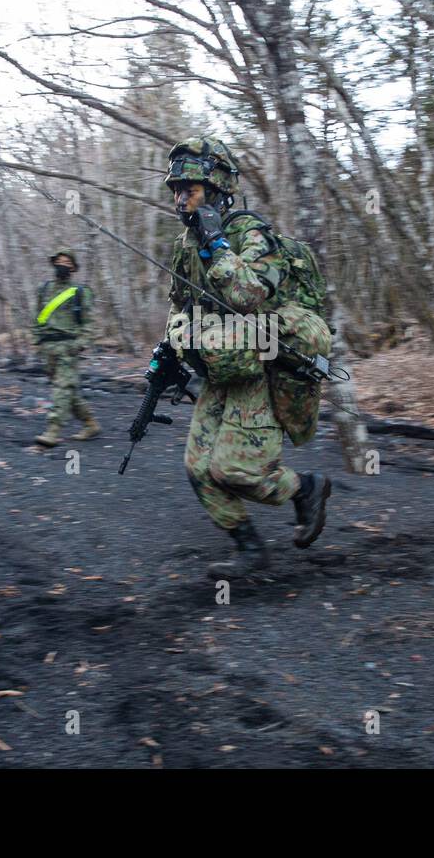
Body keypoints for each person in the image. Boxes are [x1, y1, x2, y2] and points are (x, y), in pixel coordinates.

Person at [161, 136, 331, 580]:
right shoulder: (184, 245)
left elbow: (249, 293)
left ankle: (305, 489)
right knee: (198, 468)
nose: (181, 198)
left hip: (263, 363)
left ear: (216, 188)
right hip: (220, 366)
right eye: (176, 189)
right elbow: (180, 304)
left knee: (234, 468)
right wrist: (174, 347)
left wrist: (217, 241)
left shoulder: (251, 236)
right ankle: (250, 550)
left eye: (190, 189)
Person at [33, 247, 100, 446]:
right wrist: (36, 340)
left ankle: (52, 431)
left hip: (68, 348)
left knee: (62, 389)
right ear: (53, 264)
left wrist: (79, 345)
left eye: (67, 262)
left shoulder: (80, 292)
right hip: (48, 348)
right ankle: (90, 424)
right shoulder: (44, 289)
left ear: (73, 268)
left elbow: (90, 323)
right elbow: (38, 318)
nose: (63, 265)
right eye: (59, 261)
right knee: (67, 390)